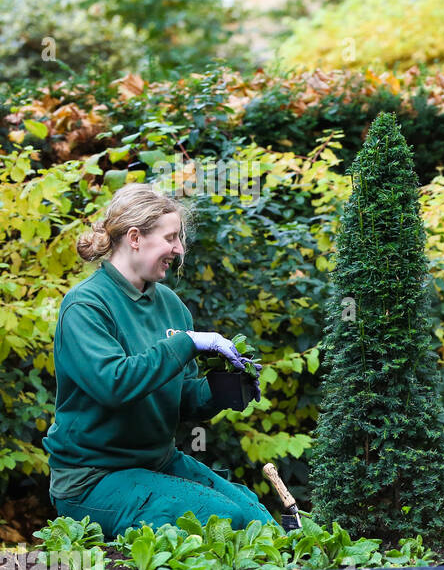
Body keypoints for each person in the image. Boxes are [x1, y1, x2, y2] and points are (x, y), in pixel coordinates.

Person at [43, 183, 276, 538]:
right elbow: (114, 385)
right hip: (93, 477)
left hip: (157, 463)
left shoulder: (170, 305)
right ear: (135, 237)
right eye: (170, 238)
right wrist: (186, 344)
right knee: (223, 520)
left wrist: (225, 390)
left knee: (256, 517)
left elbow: (179, 397)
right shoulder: (87, 306)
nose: (179, 250)